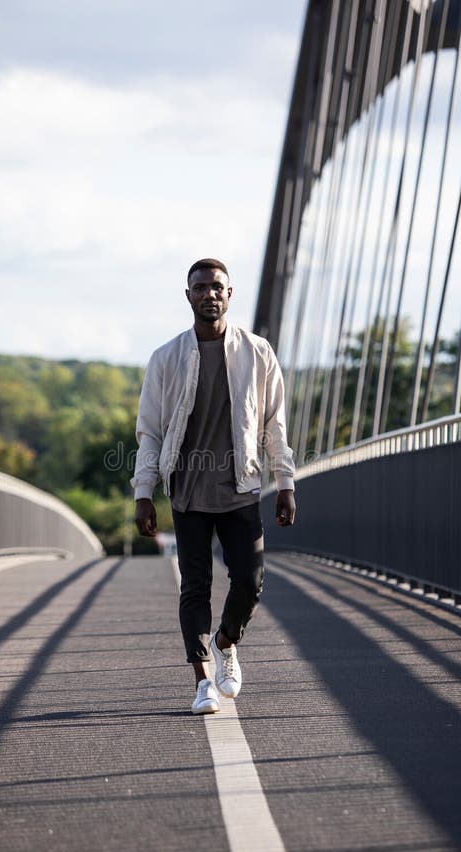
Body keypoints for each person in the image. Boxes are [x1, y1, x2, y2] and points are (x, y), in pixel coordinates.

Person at [132, 258, 295, 714]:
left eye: (217, 287)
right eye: (200, 287)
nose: (209, 294)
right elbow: (151, 432)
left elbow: (273, 424)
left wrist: (285, 482)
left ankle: (226, 642)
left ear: (229, 293)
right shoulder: (166, 358)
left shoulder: (258, 352)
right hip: (188, 493)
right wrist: (144, 493)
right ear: (188, 296)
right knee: (195, 587)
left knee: (250, 580)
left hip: (241, 487)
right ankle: (203, 679)